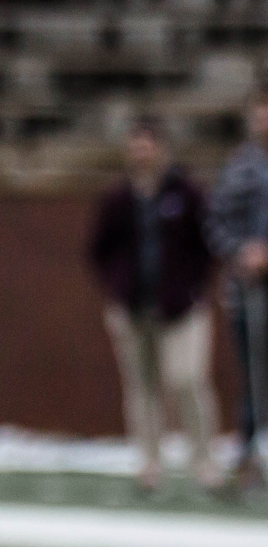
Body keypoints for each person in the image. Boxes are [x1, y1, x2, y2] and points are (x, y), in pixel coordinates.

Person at [88, 119, 220, 494]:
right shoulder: (118, 197)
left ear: (161, 148)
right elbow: (99, 250)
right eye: (136, 146)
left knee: (188, 380)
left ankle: (204, 462)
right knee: (142, 389)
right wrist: (117, 288)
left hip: (181, 309)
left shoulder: (187, 192)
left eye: (148, 145)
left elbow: (206, 244)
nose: (142, 153)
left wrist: (191, 287)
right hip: (133, 309)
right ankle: (149, 463)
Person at [208, 92, 268, 493]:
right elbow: (216, 222)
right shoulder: (238, 168)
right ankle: (251, 455)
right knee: (251, 374)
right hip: (248, 290)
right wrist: (241, 251)